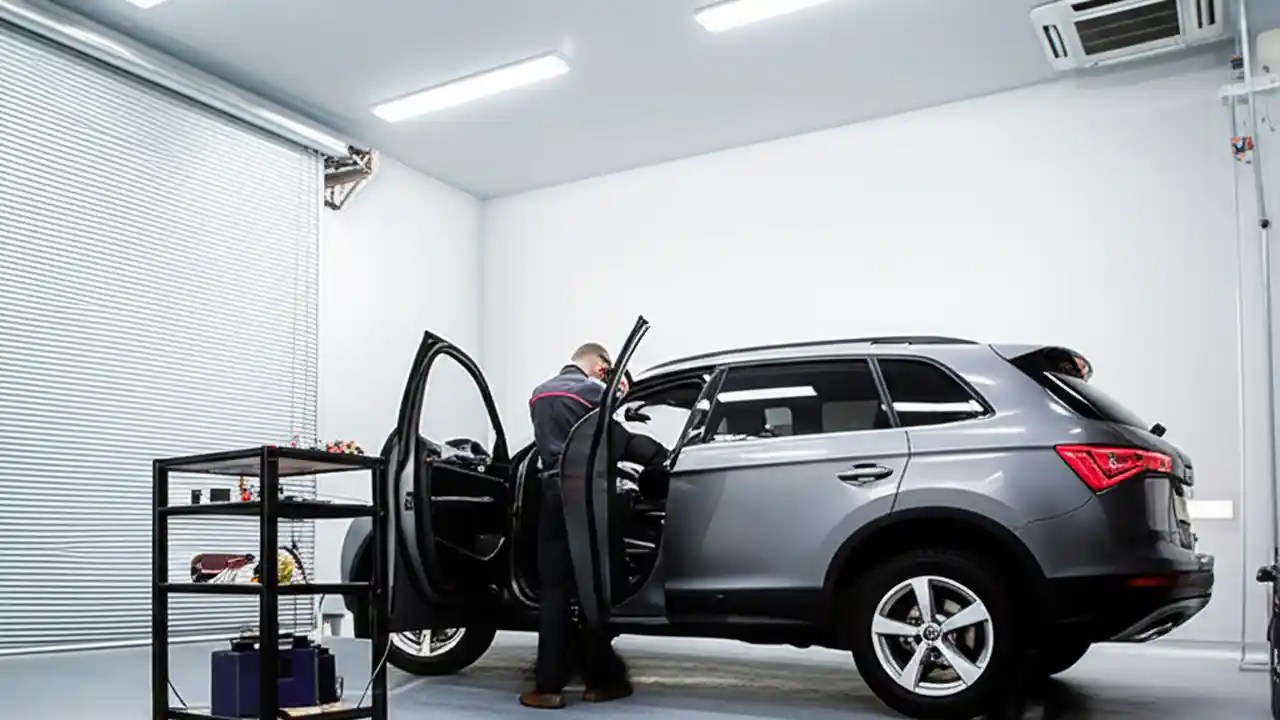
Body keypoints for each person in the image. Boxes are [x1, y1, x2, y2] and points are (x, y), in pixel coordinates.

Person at [519, 342, 668, 710]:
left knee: (554, 593)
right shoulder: (592, 392)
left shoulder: (539, 394)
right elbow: (616, 442)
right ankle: (601, 682)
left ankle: (547, 688)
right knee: (593, 589)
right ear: (602, 365)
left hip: (552, 496)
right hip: (586, 498)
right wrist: (659, 457)